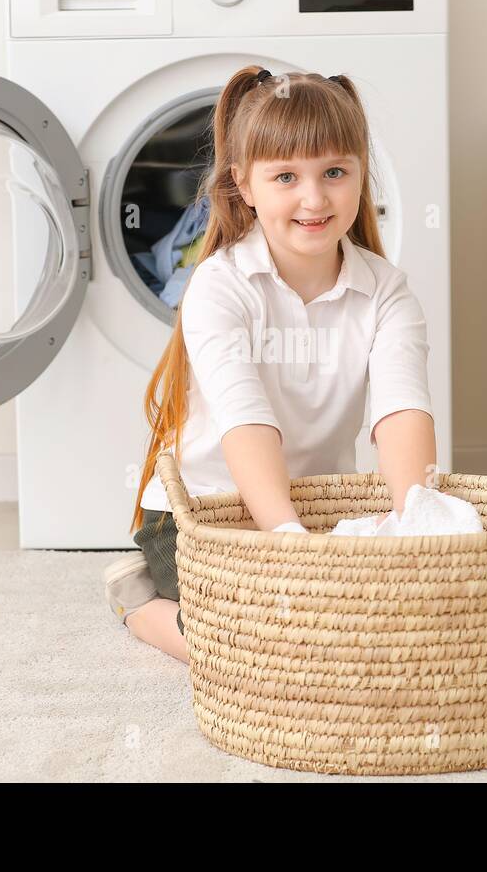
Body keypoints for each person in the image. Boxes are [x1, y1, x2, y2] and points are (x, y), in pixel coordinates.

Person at [103, 65, 437, 664]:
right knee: (270, 644)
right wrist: (285, 544)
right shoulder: (220, 286)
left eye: (335, 172)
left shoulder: (386, 292)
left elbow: (402, 414)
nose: (314, 198)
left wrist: (418, 526)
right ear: (245, 186)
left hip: (319, 512)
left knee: (378, 629)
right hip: (207, 513)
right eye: (286, 176)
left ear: (362, 173)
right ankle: (138, 602)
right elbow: (246, 423)